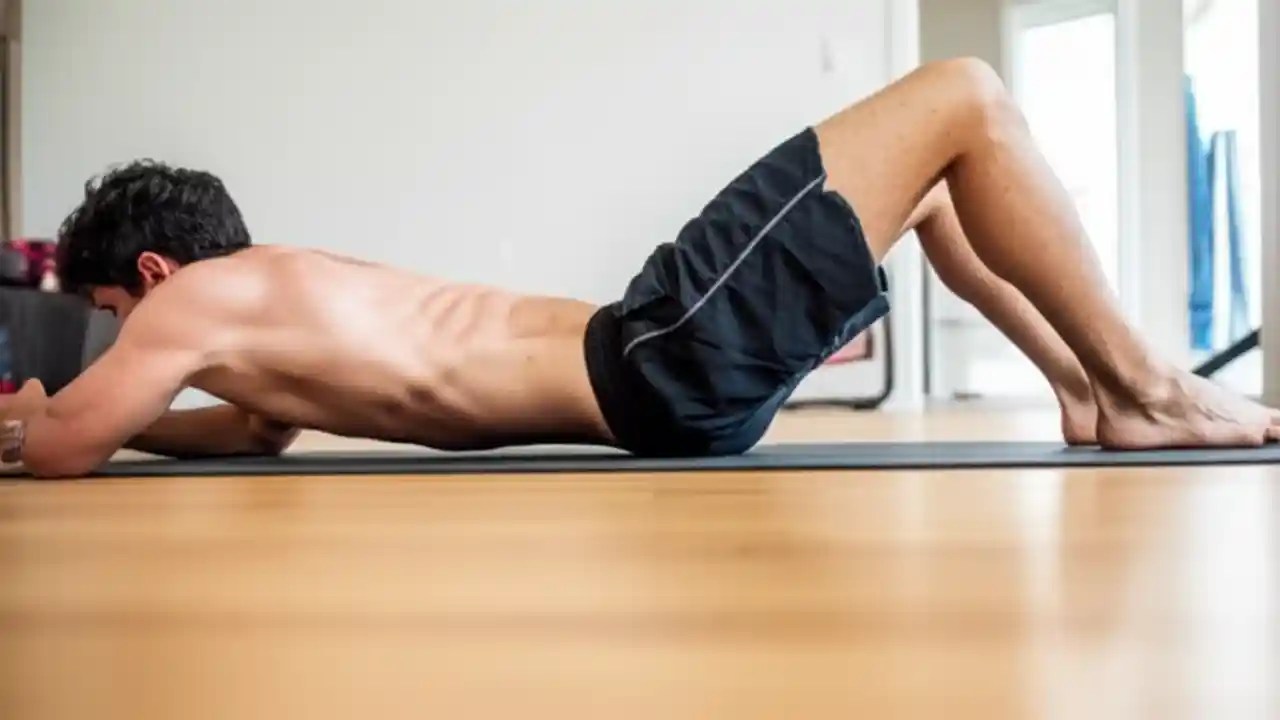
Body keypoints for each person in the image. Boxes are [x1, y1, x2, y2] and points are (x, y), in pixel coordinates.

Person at [4, 58, 1277, 478]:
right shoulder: (240, 294)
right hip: (660, 362)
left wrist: (49, 419)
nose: (126, 344)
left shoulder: (217, 314)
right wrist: (46, 426)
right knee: (964, 96)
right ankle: (1140, 389)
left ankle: (1091, 390)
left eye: (112, 318)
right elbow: (78, 447)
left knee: (942, 168)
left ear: (154, 272)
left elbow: (234, 438)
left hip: (663, 358)